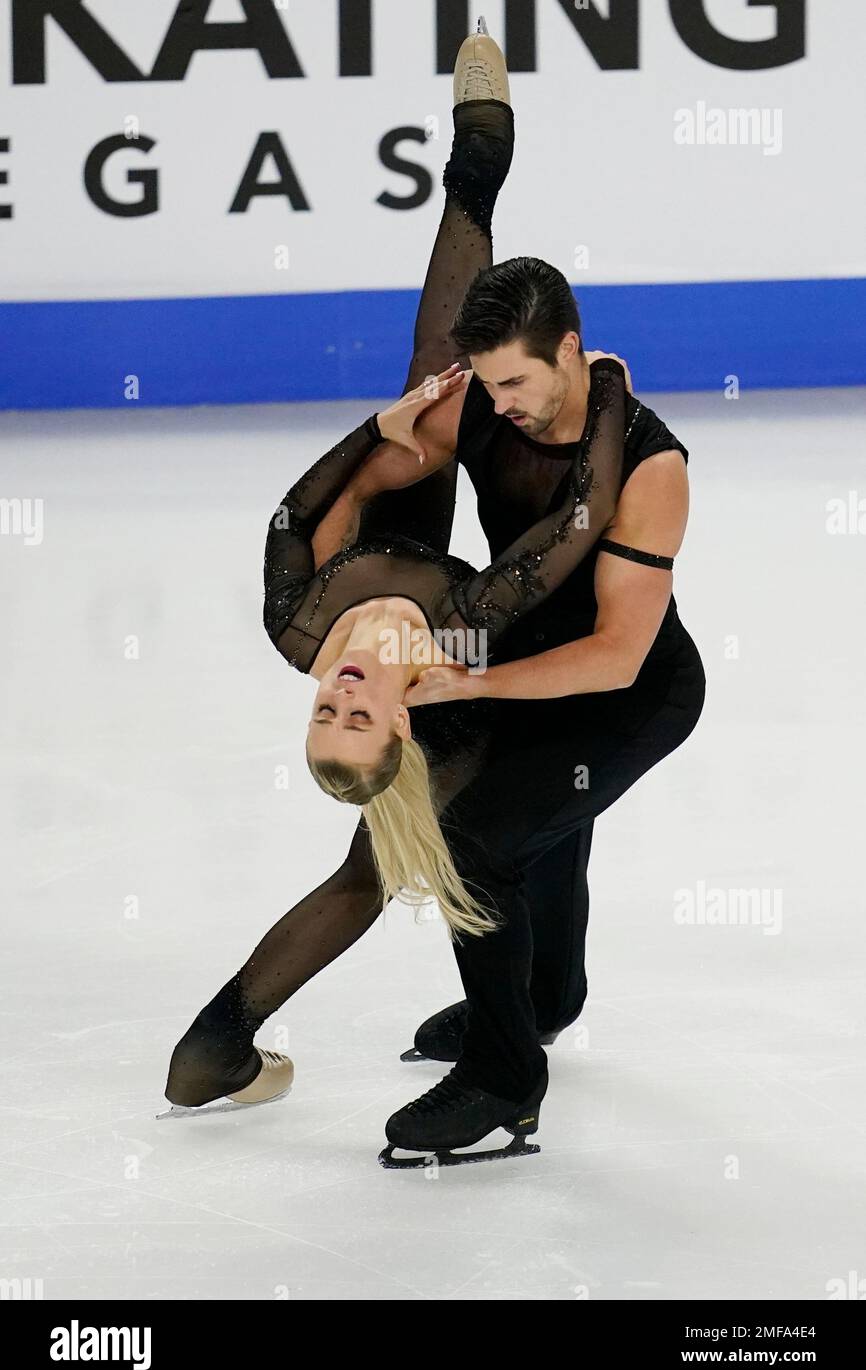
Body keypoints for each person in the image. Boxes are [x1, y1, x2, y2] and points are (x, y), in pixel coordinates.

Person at [164, 19, 705, 1170]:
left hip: (628, 683)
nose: (498, 403)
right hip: (504, 635)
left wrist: (470, 658)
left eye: (516, 380)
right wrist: (393, 443)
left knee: (481, 843)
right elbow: (488, 521)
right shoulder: (479, 503)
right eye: (489, 384)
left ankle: (507, 1079)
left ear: (570, 346)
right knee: (534, 825)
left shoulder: (650, 471)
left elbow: (609, 653)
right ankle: (545, 998)